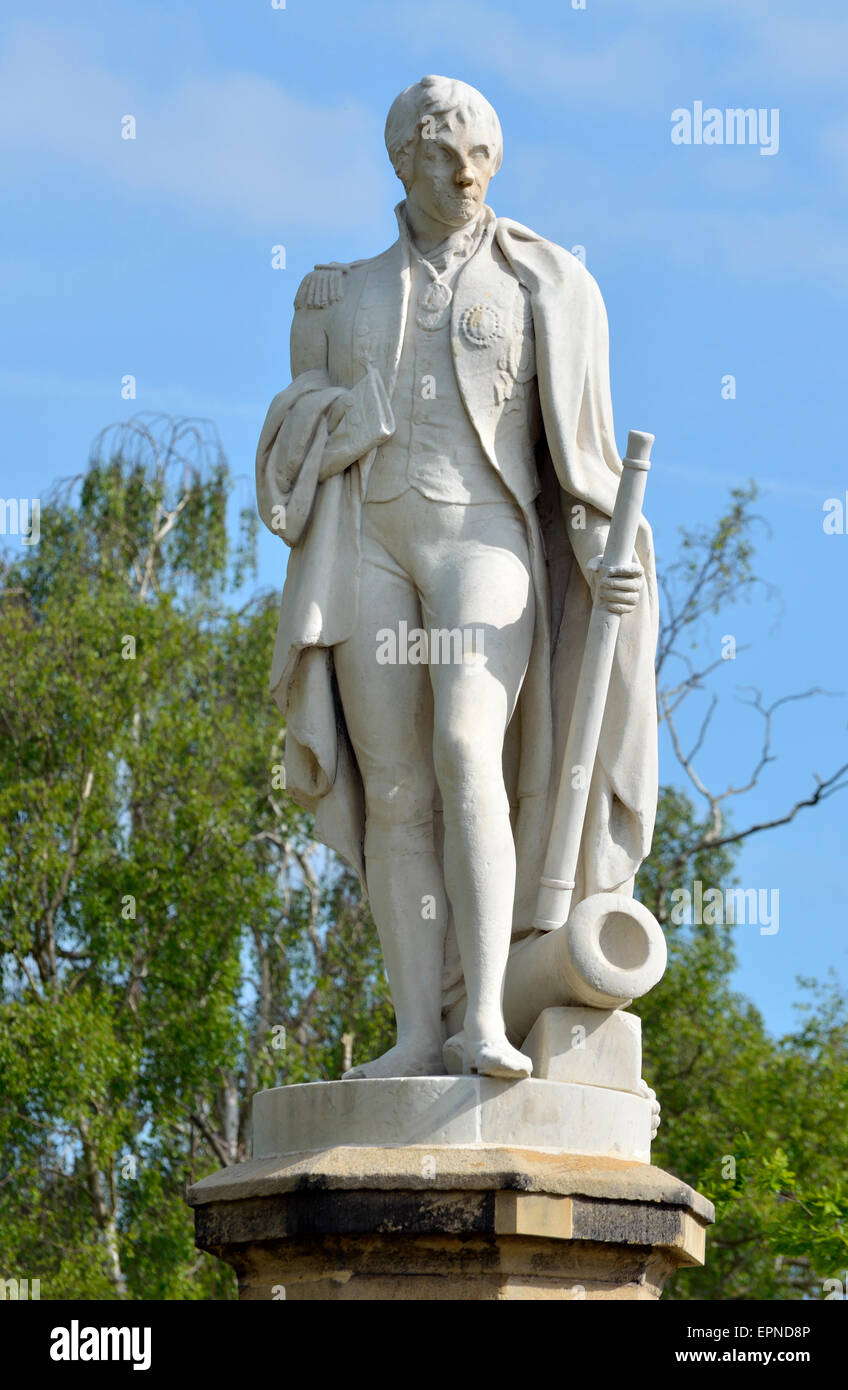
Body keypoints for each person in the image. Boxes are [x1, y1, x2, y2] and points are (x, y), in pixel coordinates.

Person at [256, 75, 658, 1080]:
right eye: (443, 154)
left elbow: (575, 455)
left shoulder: (545, 283)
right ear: (402, 159)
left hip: (485, 540)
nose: (465, 172)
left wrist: (604, 562)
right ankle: (417, 1033)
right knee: (394, 788)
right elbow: (287, 443)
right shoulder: (334, 293)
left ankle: (484, 1014)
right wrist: (330, 422)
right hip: (368, 544)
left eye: (481, 154)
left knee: (464, 745)